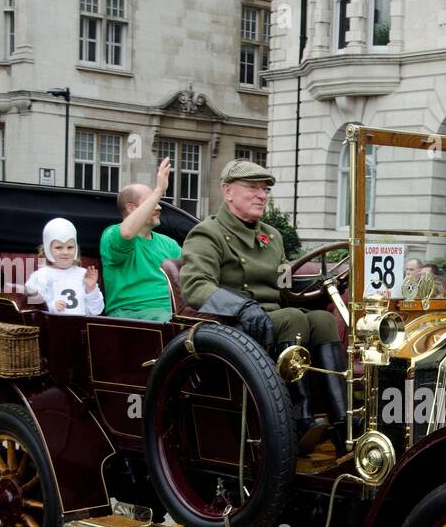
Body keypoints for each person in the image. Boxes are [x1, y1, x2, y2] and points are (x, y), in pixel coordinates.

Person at [181, 158, 346, 456]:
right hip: (234, 327)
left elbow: (284, 290)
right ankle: (300, 419)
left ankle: (342, 421)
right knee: (293, 319)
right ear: (227, 191)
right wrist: (242, 306)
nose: (262, 195)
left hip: (273, 320)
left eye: (265, 189)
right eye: (253, 188)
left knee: (322, 319)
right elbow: (195, 287)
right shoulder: (208, 234)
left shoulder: (272, 236)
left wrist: (326, 289)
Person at [101, 157, 181, 321]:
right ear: (131, 208)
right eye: (152, 202)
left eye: (157, 201)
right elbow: (127, 233)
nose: (159, 207)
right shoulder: (111, 235)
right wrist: (159, 190)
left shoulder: (169, 244)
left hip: (173, 312)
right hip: (131, 315)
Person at [25, 218, 103, 315]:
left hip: (80, 327)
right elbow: (32, 309)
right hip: (52, 326)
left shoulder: (83, 274)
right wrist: (51, 307)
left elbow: (96, 311)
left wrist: (91, 289)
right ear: (47, 249)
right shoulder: (40, 275)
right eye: (58, 247)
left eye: (70, 247)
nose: (65, 252)